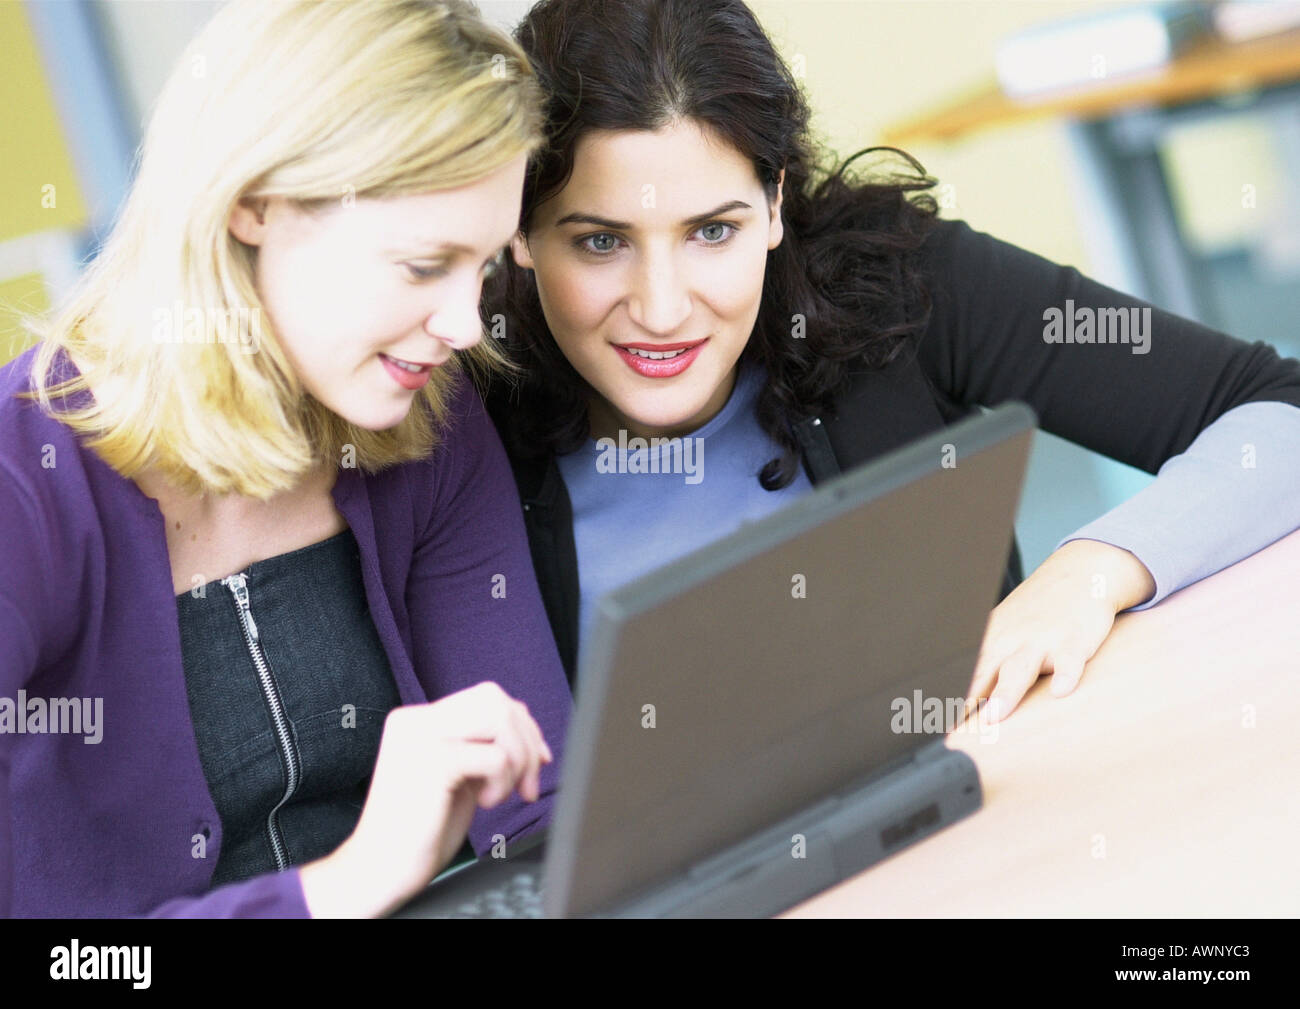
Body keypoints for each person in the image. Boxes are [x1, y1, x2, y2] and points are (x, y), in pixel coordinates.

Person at [483, 0, 1300, 722]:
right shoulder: (458, 408)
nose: (661, 309)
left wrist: (1087, 571)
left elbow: (1278, 408)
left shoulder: (894, 283)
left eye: (712, 231)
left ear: (774, 204)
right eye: (599, 241)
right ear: (518, 231)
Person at [0, 0, 570, 918]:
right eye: (425, 265)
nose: (466, 325)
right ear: (254, 204)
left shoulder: (428, 419)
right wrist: (338, 888)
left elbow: (541, 822)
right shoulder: (23, 482)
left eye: (484, 266)